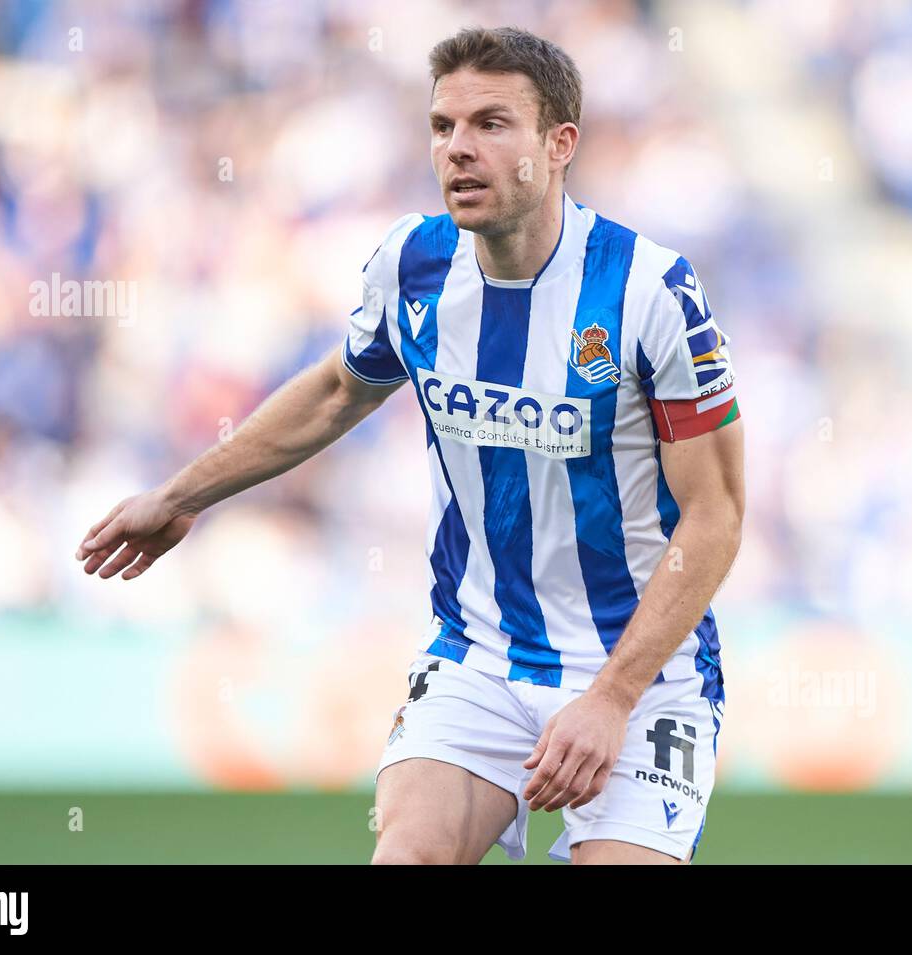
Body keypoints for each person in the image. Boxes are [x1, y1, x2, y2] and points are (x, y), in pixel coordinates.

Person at [76, 26, 744, 865]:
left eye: (492, 124)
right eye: (442, 126)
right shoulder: (413, 264)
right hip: (480, 656)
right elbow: (335, 392)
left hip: (643, 676)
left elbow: (716, 517)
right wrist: (180, 497)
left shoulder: (651, 292)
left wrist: (611, 697)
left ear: (560, 142)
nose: (458, 149)